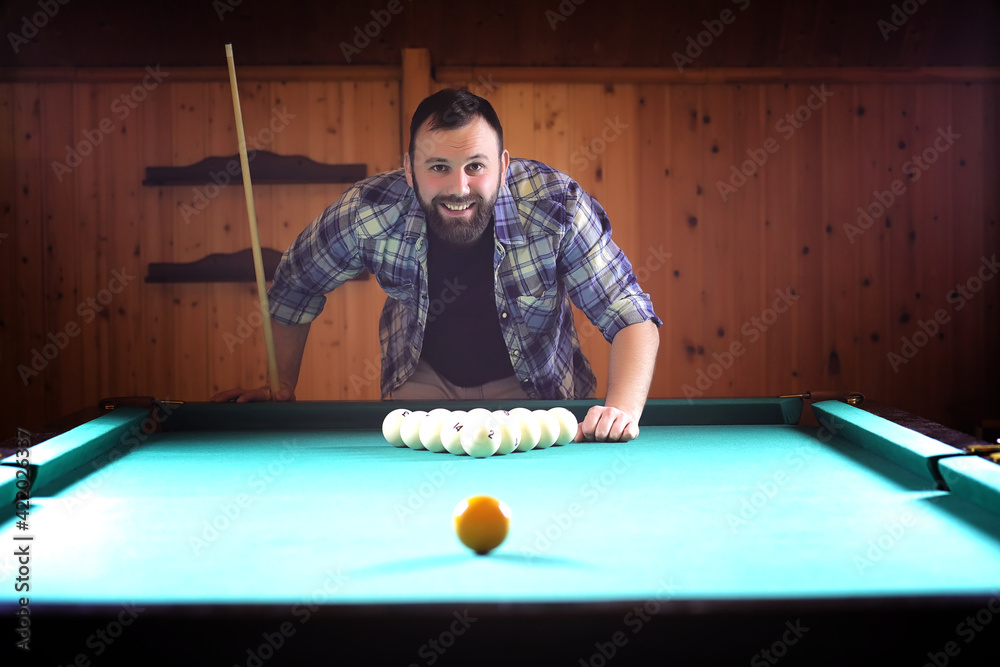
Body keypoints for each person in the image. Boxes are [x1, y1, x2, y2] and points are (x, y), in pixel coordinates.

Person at [213, 89, 660, 442]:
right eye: (439, 167)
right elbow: (295, 284)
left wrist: (620, 410)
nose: (459, 187)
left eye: (475, 166)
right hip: (423, 382)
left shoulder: (555, 205)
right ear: (409, 169)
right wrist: (281, 386)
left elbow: (628, 313)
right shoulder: (370, 211)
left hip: (536, 390)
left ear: (503, 167)